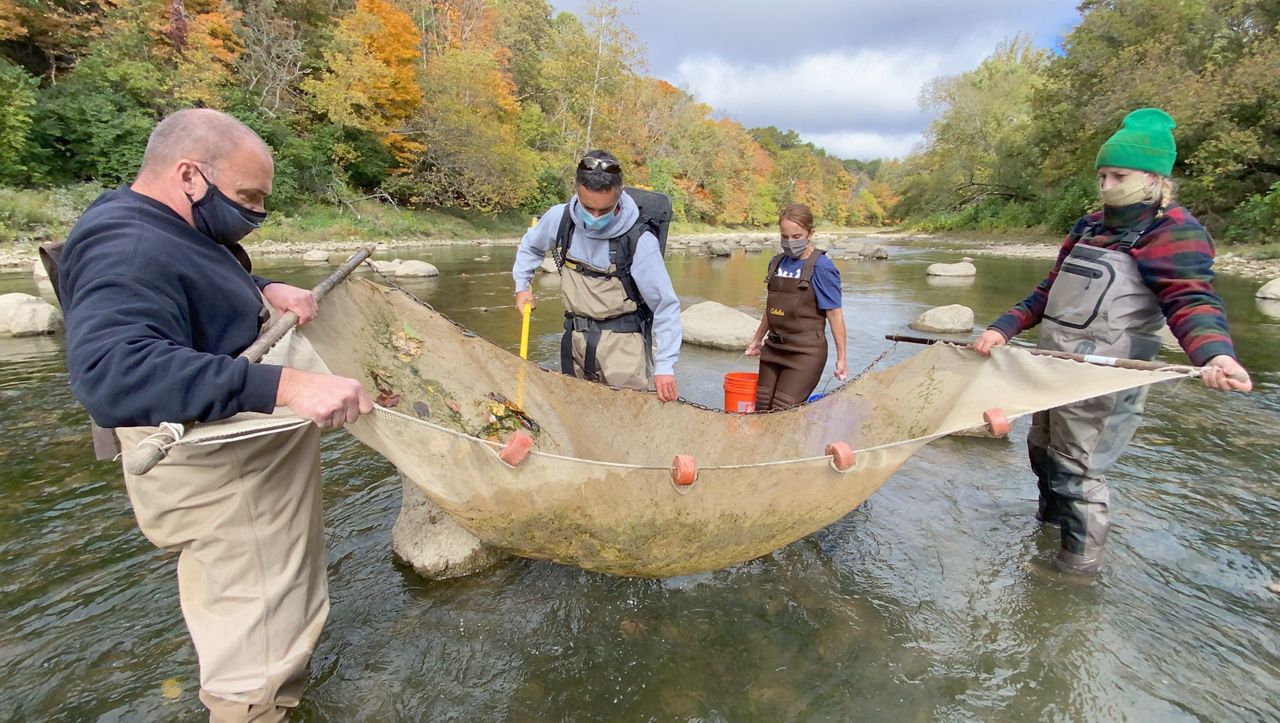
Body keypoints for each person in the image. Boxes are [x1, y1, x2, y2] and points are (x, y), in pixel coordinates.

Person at [58, 108, 373, 721]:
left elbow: (193, 282)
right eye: (247, 197)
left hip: (249, 466)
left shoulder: (171, 225)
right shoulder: (126, 244)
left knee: (280, 615)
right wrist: (284, 383)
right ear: (188, 175)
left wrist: (263, 288)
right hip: (223, 481)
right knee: (251, 656)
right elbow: (111, 372)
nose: (254, 215)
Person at [972, 108, 1252, 574]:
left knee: (1078, 470)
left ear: (1153, 178)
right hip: (1053, 365)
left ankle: (1074, 571)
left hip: (1105, 380)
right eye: (1102, 176)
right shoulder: (1088, 225)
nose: (1105, 186)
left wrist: (1215, 355)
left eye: (1117, 175)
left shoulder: (1174, 231)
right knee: (1041, 451)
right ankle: (1047, 528)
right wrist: (1003, 327)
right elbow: (1049, 288)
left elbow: (1191, 301)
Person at [512, 150, 682, 401]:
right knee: (577, 414)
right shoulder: (560, 218)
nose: (594, 218)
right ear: (577, 189)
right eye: (587, 207)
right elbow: (531, 246)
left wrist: (665, 366)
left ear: (620, 193)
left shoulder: (639, 240)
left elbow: (666, 306)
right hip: (575, 339)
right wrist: (522, 286)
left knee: (626, 420)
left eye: (604, 210)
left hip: (623, 346)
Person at [745, 204, 848, 410]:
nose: (790, 242)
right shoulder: (776, 263)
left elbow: (835, 315)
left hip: (805, 353)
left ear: (811, 233)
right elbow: (772, 308)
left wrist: (841, 358)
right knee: (761, 408)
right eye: (785, 237)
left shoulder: (822, 267)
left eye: (797, 236)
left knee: (781, 412)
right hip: (773, 348)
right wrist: (757, 340)